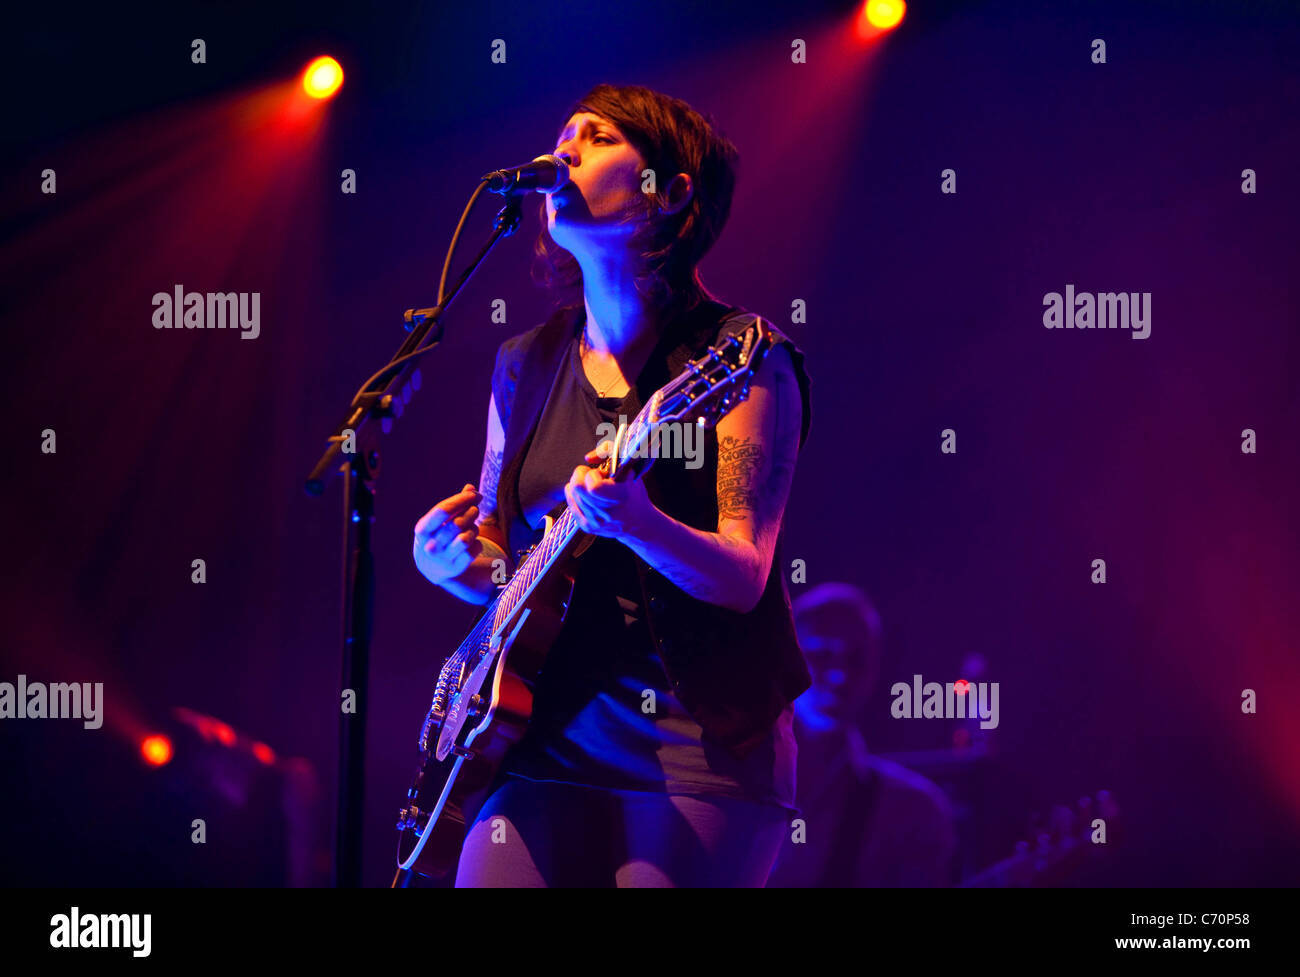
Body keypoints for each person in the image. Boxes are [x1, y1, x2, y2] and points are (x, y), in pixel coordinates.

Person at [412, 83, 814, 887]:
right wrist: (454, 566)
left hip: (696, 745)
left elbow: (742, 575)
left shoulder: (741, 358)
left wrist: (639, 522)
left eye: (597, 138)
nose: (563, 151)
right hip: (536, 731)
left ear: (671, 193)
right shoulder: (523, 362)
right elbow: (511, 566)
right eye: (562, 134)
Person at [766, 582, 957, 887]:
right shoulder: (728, 775)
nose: (840, 674)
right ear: (784, 656)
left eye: (856, 658)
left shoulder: (914, 811)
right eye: (821, 653)